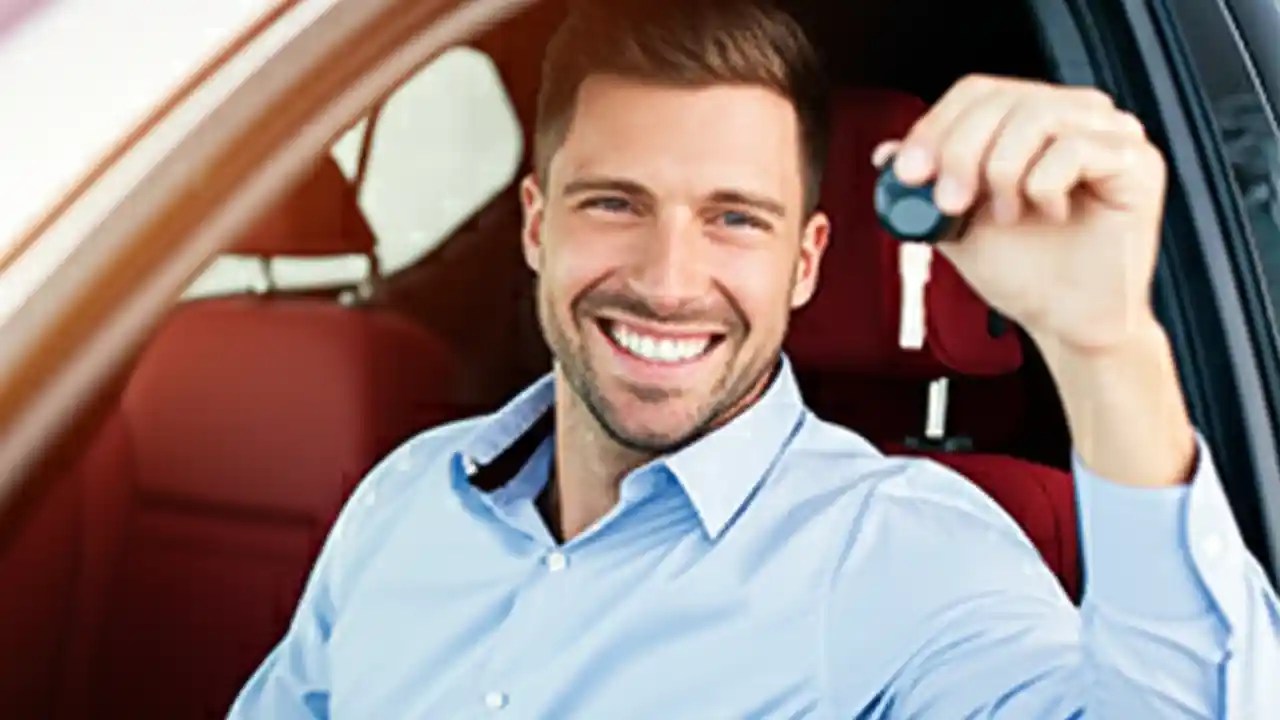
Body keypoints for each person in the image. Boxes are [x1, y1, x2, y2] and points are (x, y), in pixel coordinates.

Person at [229, 0, 1280, 716]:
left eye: (733, 219)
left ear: (806, 261)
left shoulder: (900, 556)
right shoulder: (405, 502)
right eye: (613, 203)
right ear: (535, 227)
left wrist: (1103, 345)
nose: (668, 278)